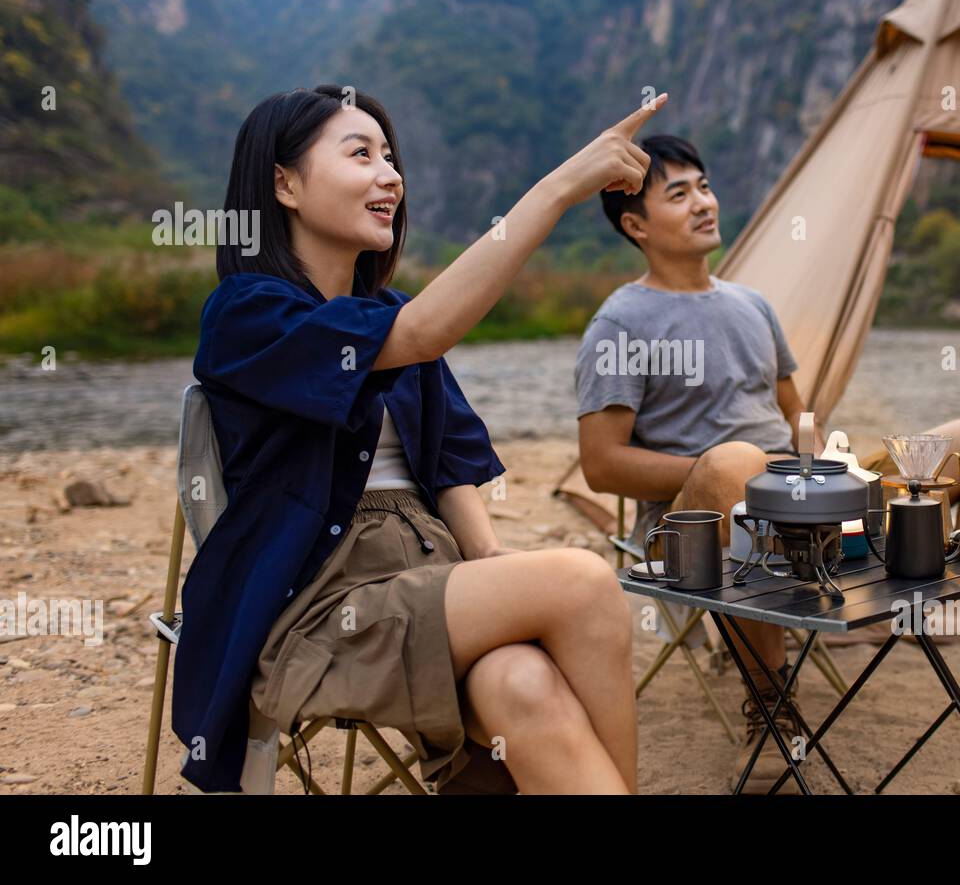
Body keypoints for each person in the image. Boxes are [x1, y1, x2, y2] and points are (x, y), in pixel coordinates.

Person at [574, 135, 960, 793]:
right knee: (737, 461)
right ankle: (769, 708)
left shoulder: (751, 305)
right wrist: (748, 472)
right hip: (698, 525)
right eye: (680, 194)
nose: (704, 202)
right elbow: (602, 464)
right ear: (636, 225)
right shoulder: (620, 322)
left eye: (704, 185)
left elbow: (801, 417)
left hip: (804, 495)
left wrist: (820, 465)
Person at [173, 84, 670, 795]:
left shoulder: (390, 313)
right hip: (316, 606)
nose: (391, 174)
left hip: (430, 578)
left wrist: (496, 564)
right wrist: (561, 186)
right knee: (585, 580)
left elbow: (451, 462)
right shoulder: (247, 316)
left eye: (391, 155)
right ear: (284, 183)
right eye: (360, 153)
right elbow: (425, 332)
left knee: (520, 683)